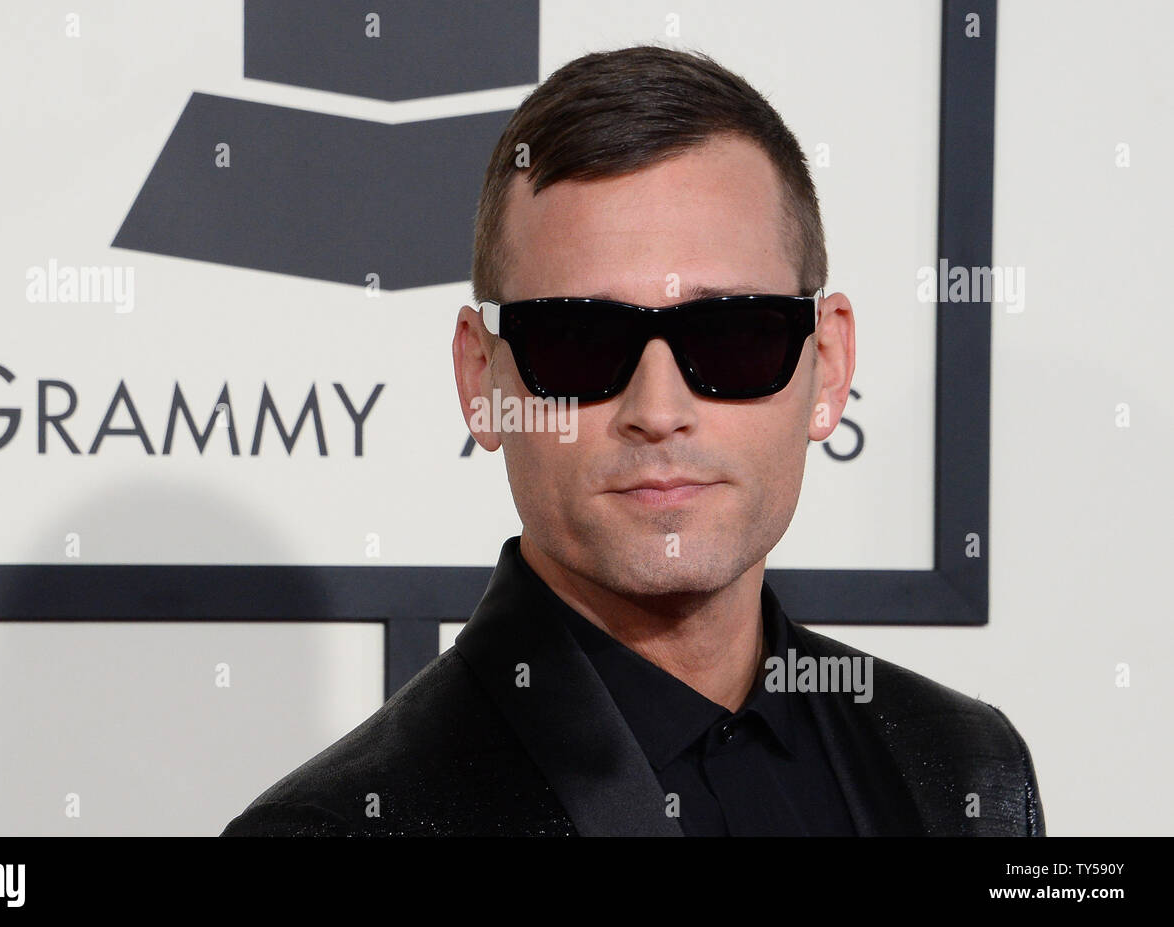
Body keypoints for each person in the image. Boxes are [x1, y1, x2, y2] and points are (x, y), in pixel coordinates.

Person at [221, 44, 1044, 837]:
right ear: (481, 381)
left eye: (734, 336)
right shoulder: (341, 827)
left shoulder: (966, 765)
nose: (658, 407)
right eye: (579, 342)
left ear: (827, 367)